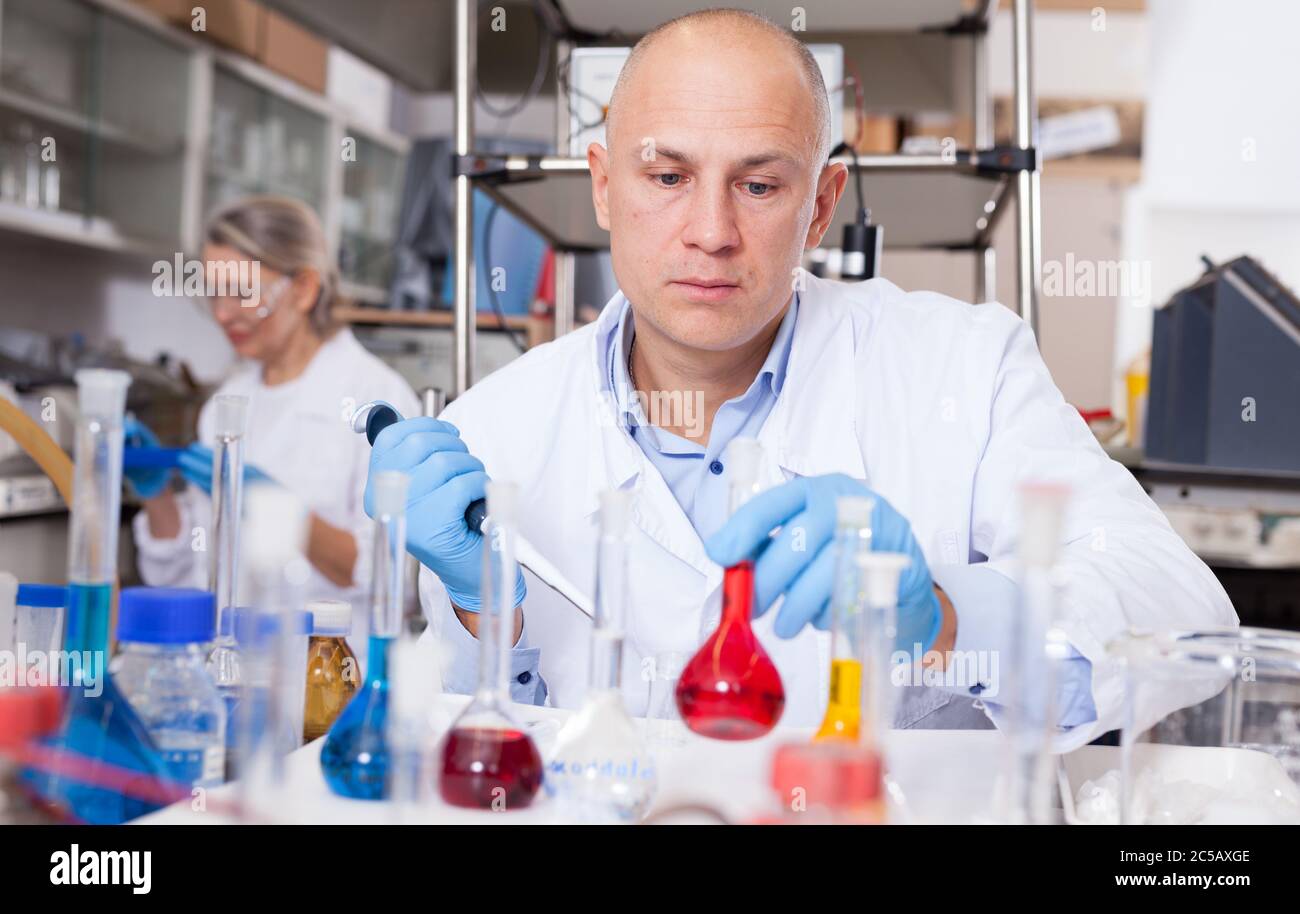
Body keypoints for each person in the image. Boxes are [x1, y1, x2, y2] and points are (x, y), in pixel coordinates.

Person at [367, 10, 1235, 746]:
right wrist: (482, 612)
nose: (711, 230)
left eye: (758, 185)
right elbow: (476, 762)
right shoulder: (498, 428)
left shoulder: (966, 368)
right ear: (602, 186)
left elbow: (1187, 617)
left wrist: (947, 616)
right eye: (667, 177)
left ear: (821, 205)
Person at [128, 195, 419, 648]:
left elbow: (396, 581)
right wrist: (157, 497)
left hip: (333, 670)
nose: (223, 314)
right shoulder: (225, 405)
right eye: (214, 293)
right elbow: (188, 577)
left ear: (303, 288)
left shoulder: (377, 400)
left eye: (242, 292)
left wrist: (281, 511)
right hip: (232, 661)